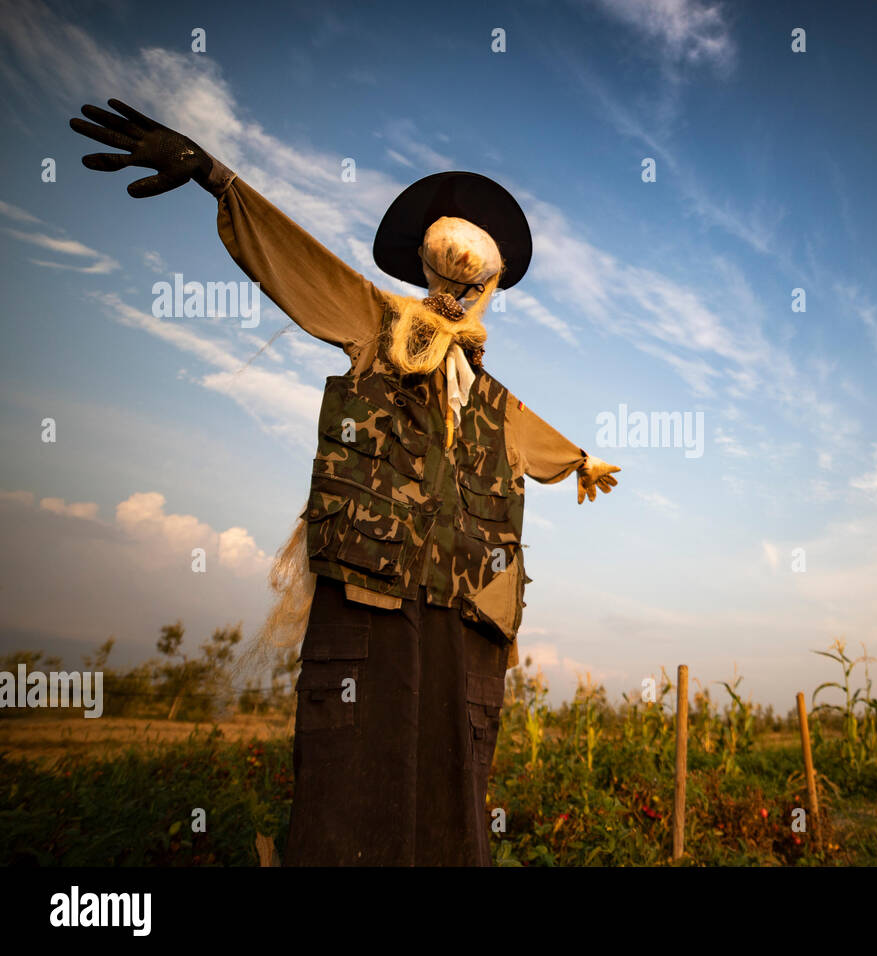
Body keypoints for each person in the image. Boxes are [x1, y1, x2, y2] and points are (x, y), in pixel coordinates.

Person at [70, 98, 621, 865]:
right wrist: (215, 178)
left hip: (467, 619)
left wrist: (580, 464)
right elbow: (301, 266)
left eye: (474, 277)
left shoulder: (494, 401)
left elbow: (535, 433)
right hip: (372, 596)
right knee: (350, 783)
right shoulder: (375, 325)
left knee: (456, 797)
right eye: (449, 269)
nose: (459, 289)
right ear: (427, 268)